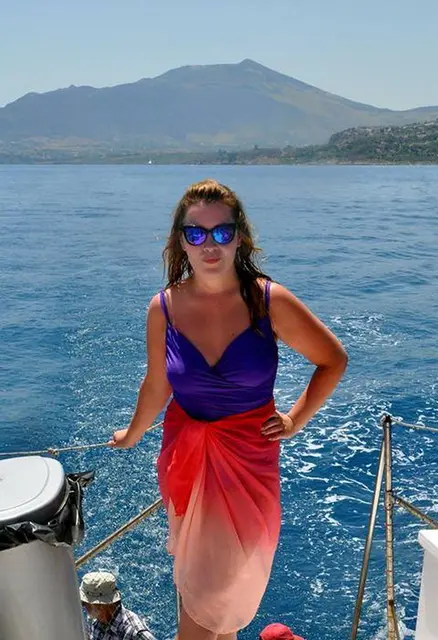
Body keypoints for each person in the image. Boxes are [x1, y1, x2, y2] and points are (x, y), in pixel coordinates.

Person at [110, 179, 348, 640]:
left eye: (222, 232)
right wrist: (133, 434)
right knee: (209, 592)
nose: (210, 245)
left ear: (240, 237)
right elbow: (157, 385)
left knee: (216, 592)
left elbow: (332, 360)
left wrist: (295, 419)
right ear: (181, 240)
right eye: (196, 233)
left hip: (248, 464)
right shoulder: (163, 308)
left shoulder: (268, 301)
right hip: (187, 460)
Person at [80, 571, 156, 639]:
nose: (83, 606)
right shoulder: (94, 619)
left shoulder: (134, 632)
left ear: (100, 606)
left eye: (84, 603)